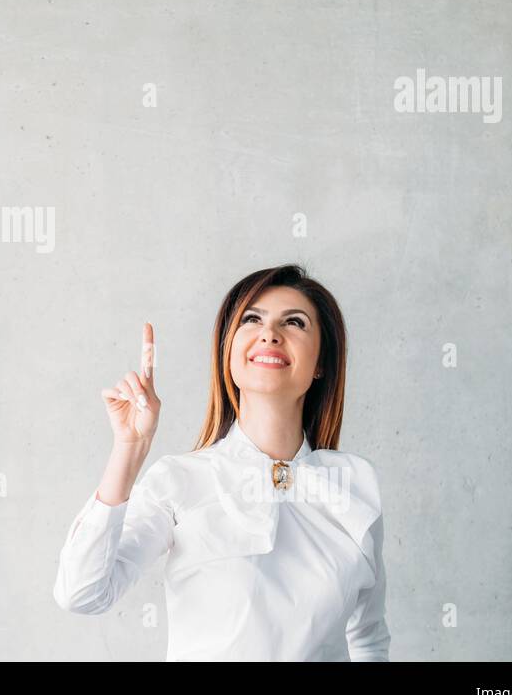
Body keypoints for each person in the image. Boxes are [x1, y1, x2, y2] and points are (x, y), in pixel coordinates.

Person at [52, 263, 391, 661]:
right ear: (228, 352)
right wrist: (130, 447)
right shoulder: (179, 481)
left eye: (295, 323)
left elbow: (369, 640)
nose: (270, 333)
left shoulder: (353, 484)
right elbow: (82, 593)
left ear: (320, 364)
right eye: (252, 319)